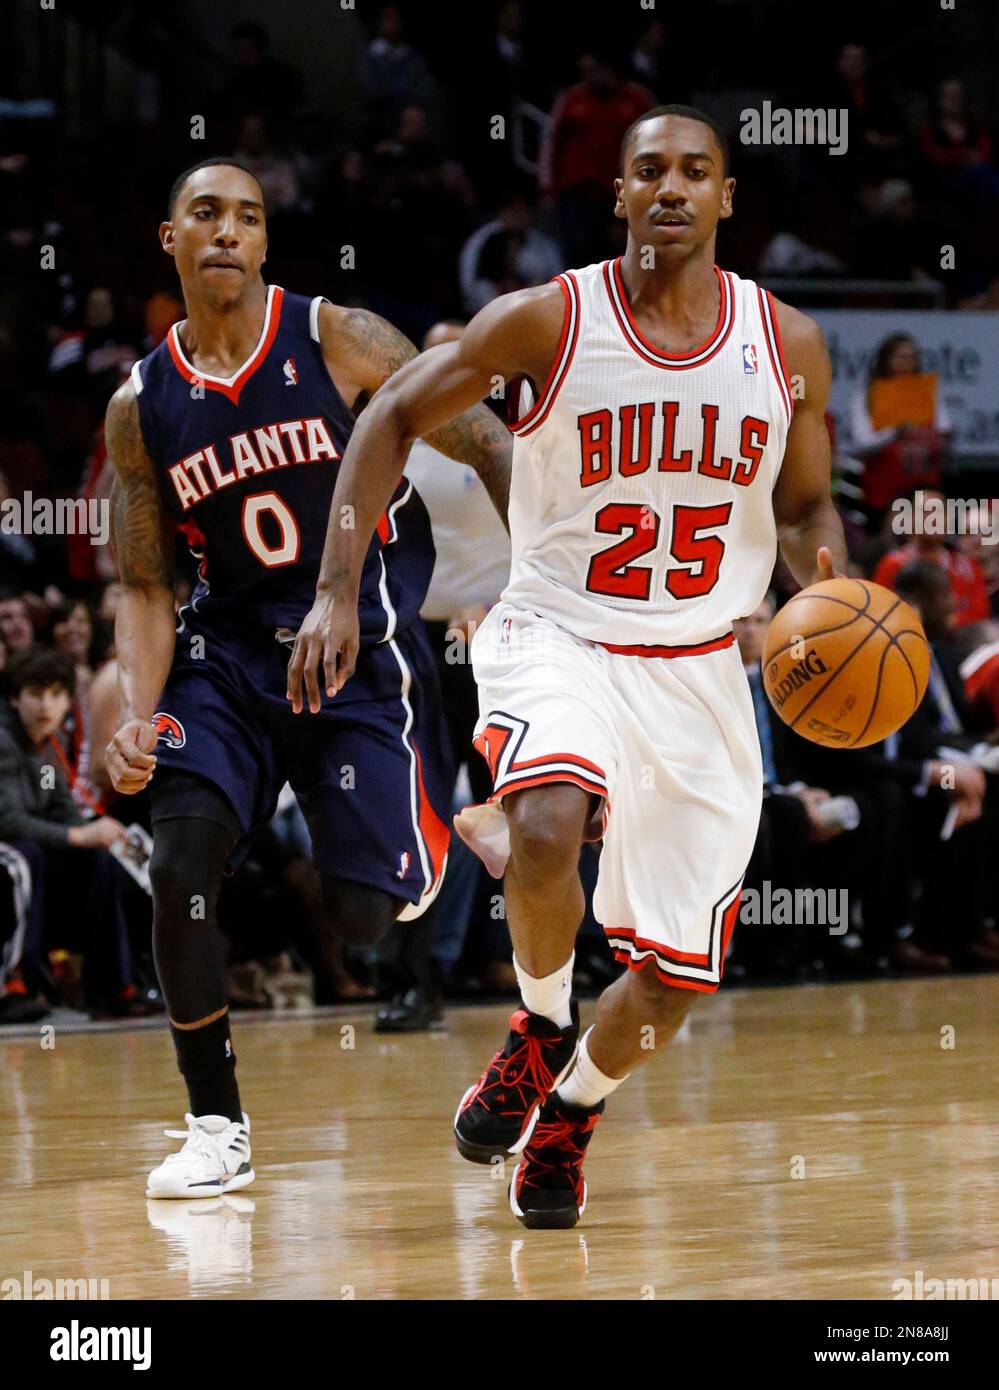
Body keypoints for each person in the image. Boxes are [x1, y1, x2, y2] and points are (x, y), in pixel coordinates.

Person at [289, 104, 849, 1228]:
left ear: (727, 198)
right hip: (561, 630)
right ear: (621, 194)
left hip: (699, 666)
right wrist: (335, 589)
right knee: (544, 824)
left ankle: (574, 1111)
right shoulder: (549, 319)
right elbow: (390, 415)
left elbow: (803, 504)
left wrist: (826, 602)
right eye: (653, 171)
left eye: (698, 171)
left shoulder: (786, 343)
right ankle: (539, 1023)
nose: (675, 188)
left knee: (678, 978)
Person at [103, 157, 512, 1199]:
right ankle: (214, 1122)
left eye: (248, 216)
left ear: (265, 242)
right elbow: (147, 585)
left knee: (366, 921)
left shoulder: (342, 337)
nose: (228, 231)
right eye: (205, 213)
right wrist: (140, 715)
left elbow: (481, 433)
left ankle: (429, 842)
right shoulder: (140, 403)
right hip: (225, 660)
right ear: (172, 239)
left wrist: (555, 562)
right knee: (179, 861)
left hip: (353, 658)